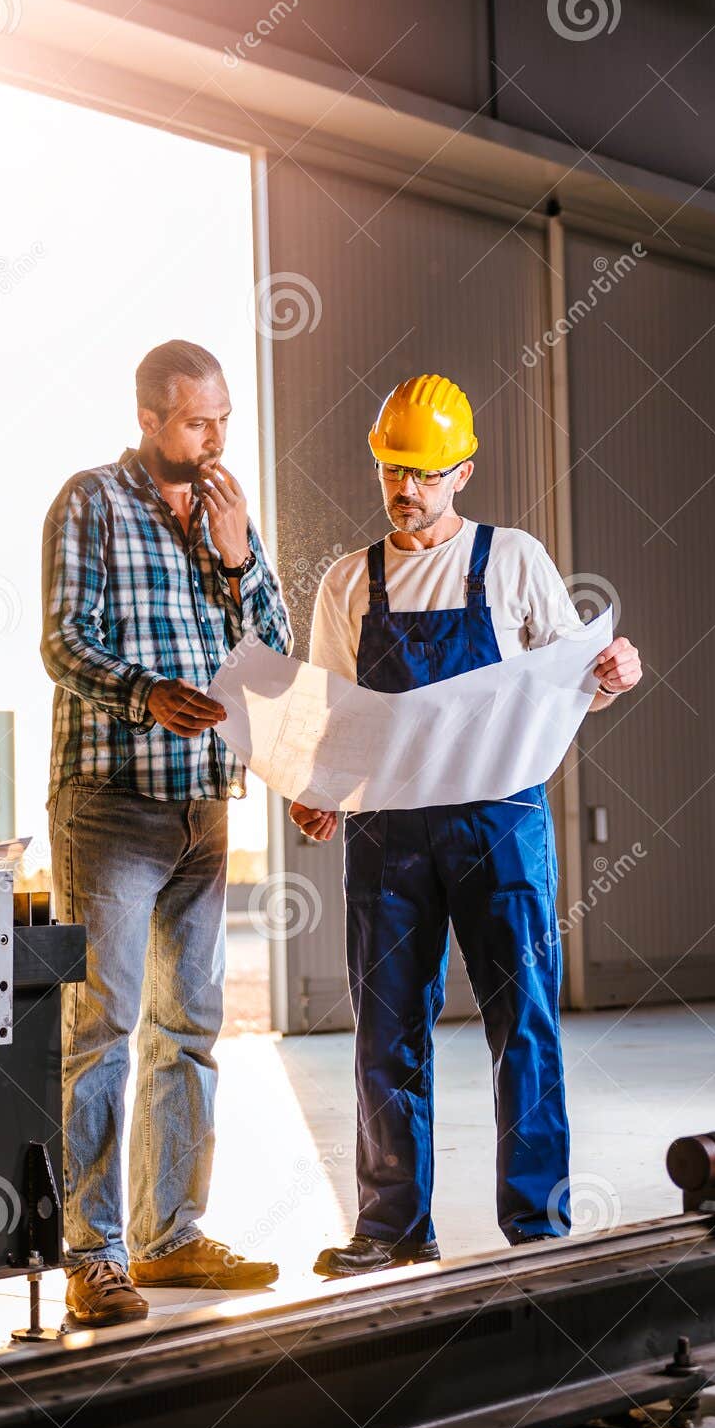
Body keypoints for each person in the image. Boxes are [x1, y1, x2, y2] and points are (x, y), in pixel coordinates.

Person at [290, 374, 642, 1276]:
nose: (403, 490)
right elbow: (332, 712)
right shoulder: (347, 581)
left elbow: (573, 681)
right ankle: (392, 1225)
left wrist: (608, 676)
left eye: (422, 473)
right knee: (385, 1024)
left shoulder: (513, 559)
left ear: (464, 472)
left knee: (521, 1019)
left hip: (500, 822)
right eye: (390, 471)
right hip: (387, 834)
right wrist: (317, 789)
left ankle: (538, 1225)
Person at [41, 338, 292, 1326]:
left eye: (223, 417)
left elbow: (268, 645)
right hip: (112, 801)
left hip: (204, 805)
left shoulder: (226, 515)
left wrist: (237, 558)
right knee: (101, 1029)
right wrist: (147, 696)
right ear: (150, 420)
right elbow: (64, 639)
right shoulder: (92, 502)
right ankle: (92, 1254)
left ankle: (172, 1237)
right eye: (196, 420)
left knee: (189, 1027)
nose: (215, 436)